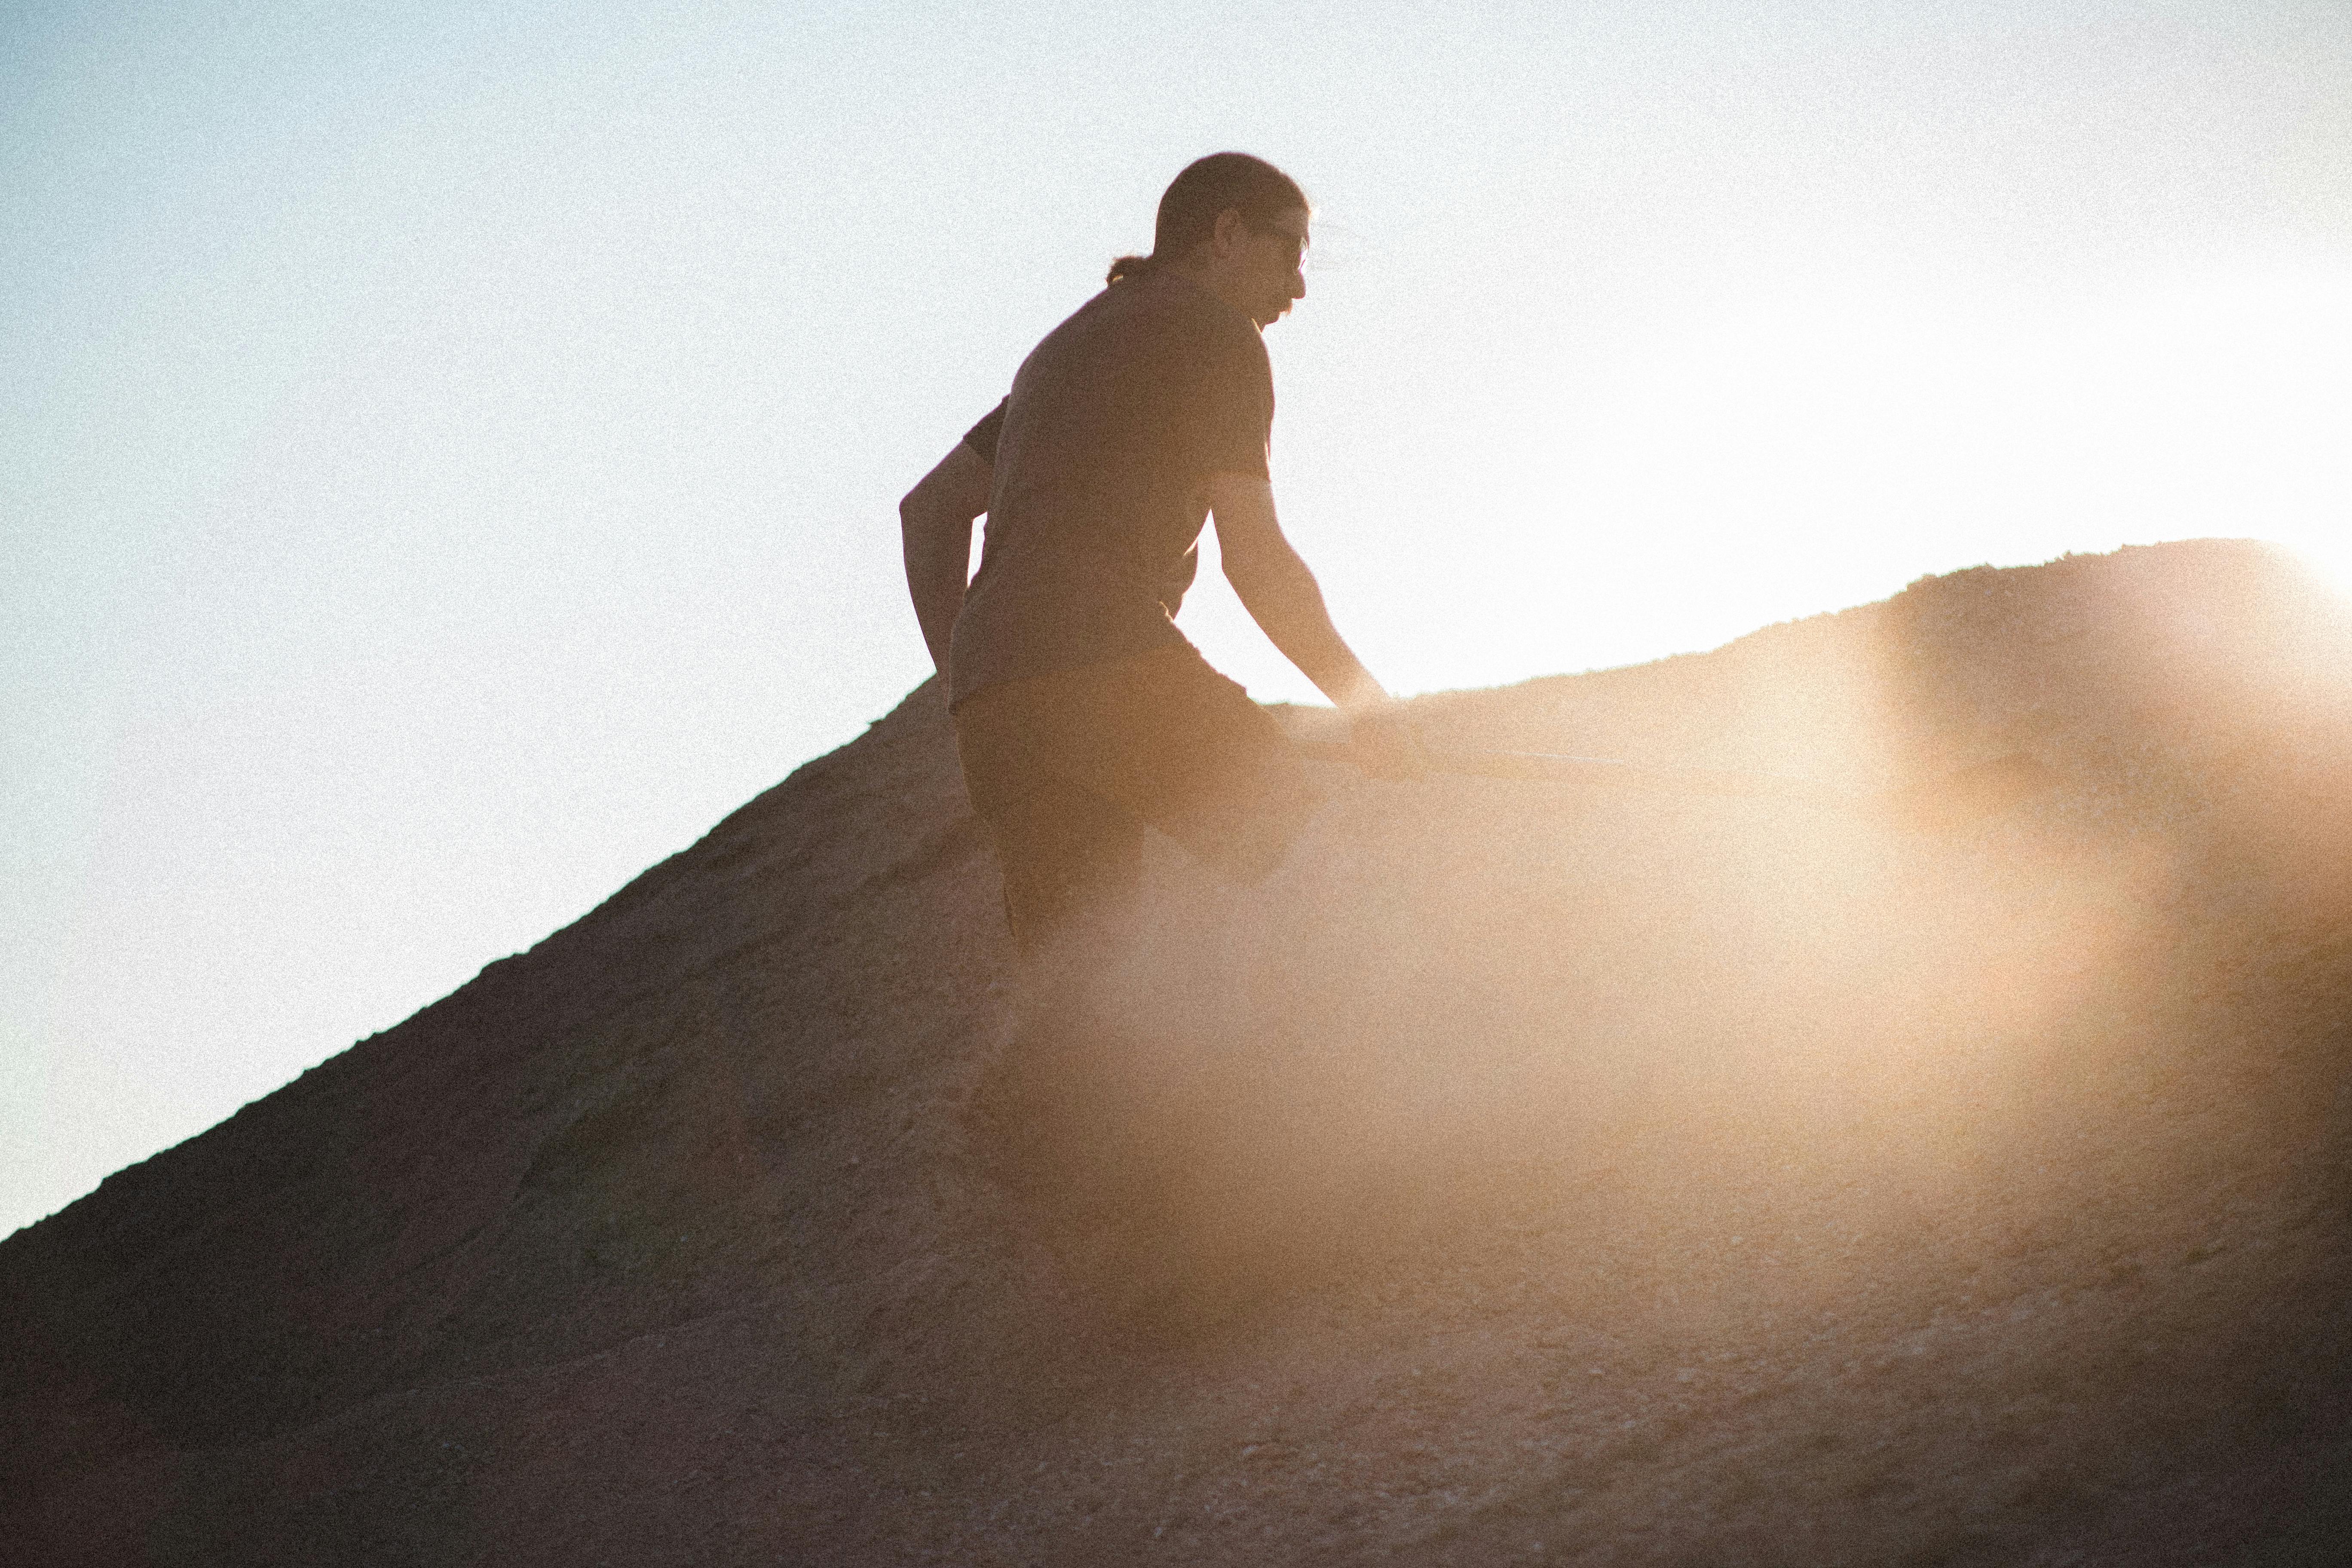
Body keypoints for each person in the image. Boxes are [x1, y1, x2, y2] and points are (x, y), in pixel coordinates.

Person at [900, 152, 1420, 956]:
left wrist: (971, 680)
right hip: (1105, 657)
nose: (1300, 288)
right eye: (1292, 252)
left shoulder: (1067, 350)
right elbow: (1257, 560)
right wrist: (1367, 705)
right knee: (1315, 862)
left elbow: (928, 513)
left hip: (997, 713)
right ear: (1226, 233)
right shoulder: (1215, 334)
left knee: (1081, 996)